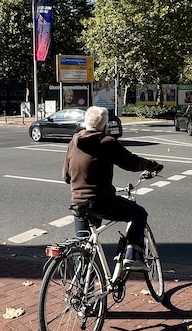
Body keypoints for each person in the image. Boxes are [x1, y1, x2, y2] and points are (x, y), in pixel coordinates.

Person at [63, 106, 163, 264]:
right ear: (105, 125)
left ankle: (82, 284)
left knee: (84, 247)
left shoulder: (73, 142)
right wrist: (153, 166)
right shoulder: (107, 142)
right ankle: (131, 256)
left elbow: (66, 176)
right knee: (139, 214)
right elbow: (131, 162)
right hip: (102, 202)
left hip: (78, 203)